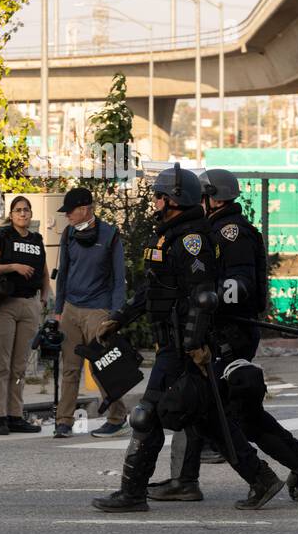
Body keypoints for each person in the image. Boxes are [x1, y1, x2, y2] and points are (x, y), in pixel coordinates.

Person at [91, 166, 284, 513]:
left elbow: (203, 297)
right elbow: (155, 288)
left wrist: (195, 345)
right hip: (174, 343)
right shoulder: (171, 234)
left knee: (145, 414)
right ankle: (262, 478)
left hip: (183, 347)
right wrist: (119, 319)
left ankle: (132, 493)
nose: (154, 201)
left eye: (159, 195)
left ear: (173, 200)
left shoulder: (192, 241)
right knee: (208, 418)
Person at [152, 168, 298, 503]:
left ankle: (193, 479)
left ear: (213, 198)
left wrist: (206, 296)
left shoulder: (230, 233)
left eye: (200, 196)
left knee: (204, 405)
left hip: (231, 333)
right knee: (235, 412)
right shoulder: (213, 229)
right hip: (222, 331)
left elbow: (240, 284)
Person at [53, 187, 129, 439]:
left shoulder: (110, 235)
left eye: (70, 212)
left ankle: (117, 418)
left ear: (85, 210)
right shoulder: (68, 234)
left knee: (102, 367)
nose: (67, 216)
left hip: (99, 309)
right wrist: (58, 311)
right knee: (70, 369)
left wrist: (115, 315)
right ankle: (64, 421)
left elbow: (120, 278)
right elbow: (63, 273)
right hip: (71, 310)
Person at [0, 196, 47, 435]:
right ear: (11, 214)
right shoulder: (2, 235)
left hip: (29, 304)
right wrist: (13, 267)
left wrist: (44, 296)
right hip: (5, 305)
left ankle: (15, 414)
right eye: (18, 210)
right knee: (2, 364)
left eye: (26, 210)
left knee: (20, 366)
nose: (23, 214)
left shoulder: (37, 239)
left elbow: (44, 271)